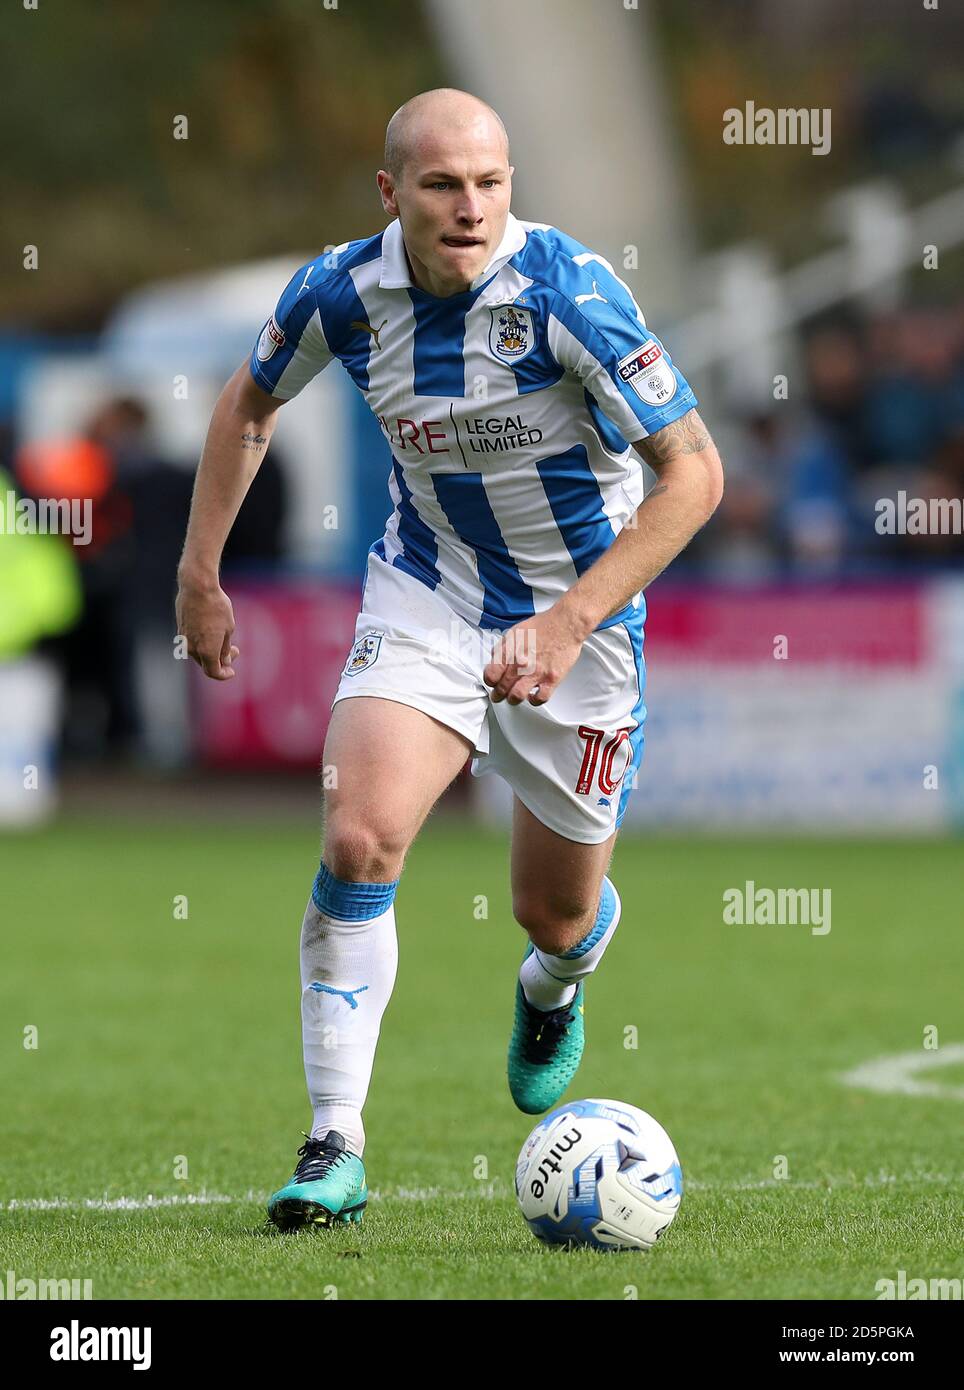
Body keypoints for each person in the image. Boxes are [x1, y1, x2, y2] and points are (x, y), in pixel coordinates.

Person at [175, 88, 724, 1231]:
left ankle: (556, 982)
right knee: (357, 832)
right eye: (440, 185)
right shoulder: (342, 291)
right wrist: (199, 571)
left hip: (582, 618)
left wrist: (570, 622)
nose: (470, 207)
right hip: (430, 592)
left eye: (489, 182)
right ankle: (335, 1142)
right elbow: (247, 404)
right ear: (392, 193)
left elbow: (695, 477)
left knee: (551, 915)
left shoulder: (570, 293)